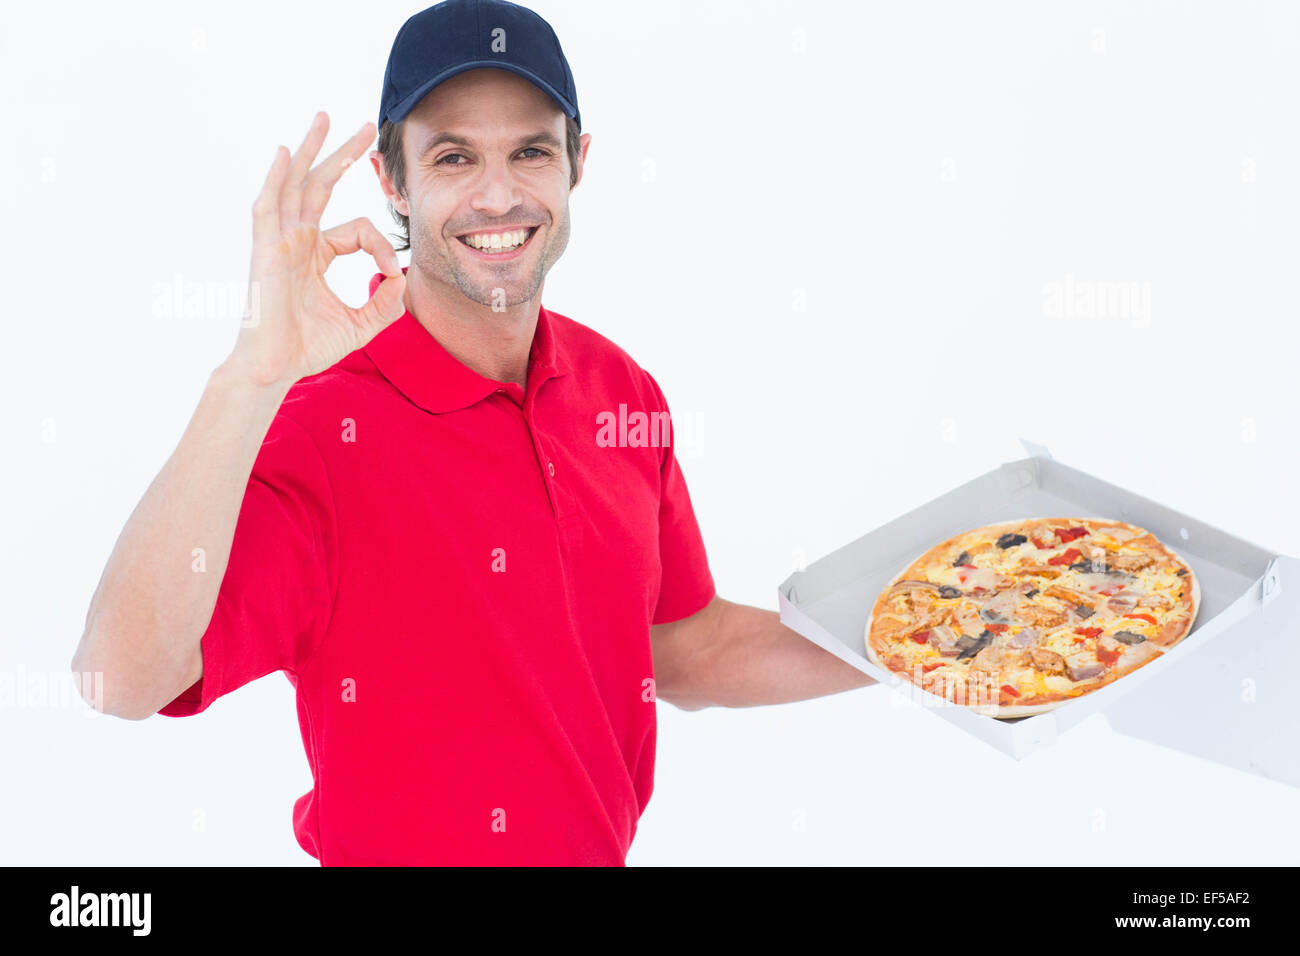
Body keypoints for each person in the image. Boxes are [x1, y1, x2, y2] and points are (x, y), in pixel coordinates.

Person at [71, 0, 872, 865]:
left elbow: (682, 646)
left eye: (530, 150)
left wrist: (934, 647)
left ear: (578, 164)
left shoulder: (619, 391)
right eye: (453, 157)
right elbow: (120, 680)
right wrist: (251, 376)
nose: (499, 194)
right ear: (393, 180)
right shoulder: (317, 429)